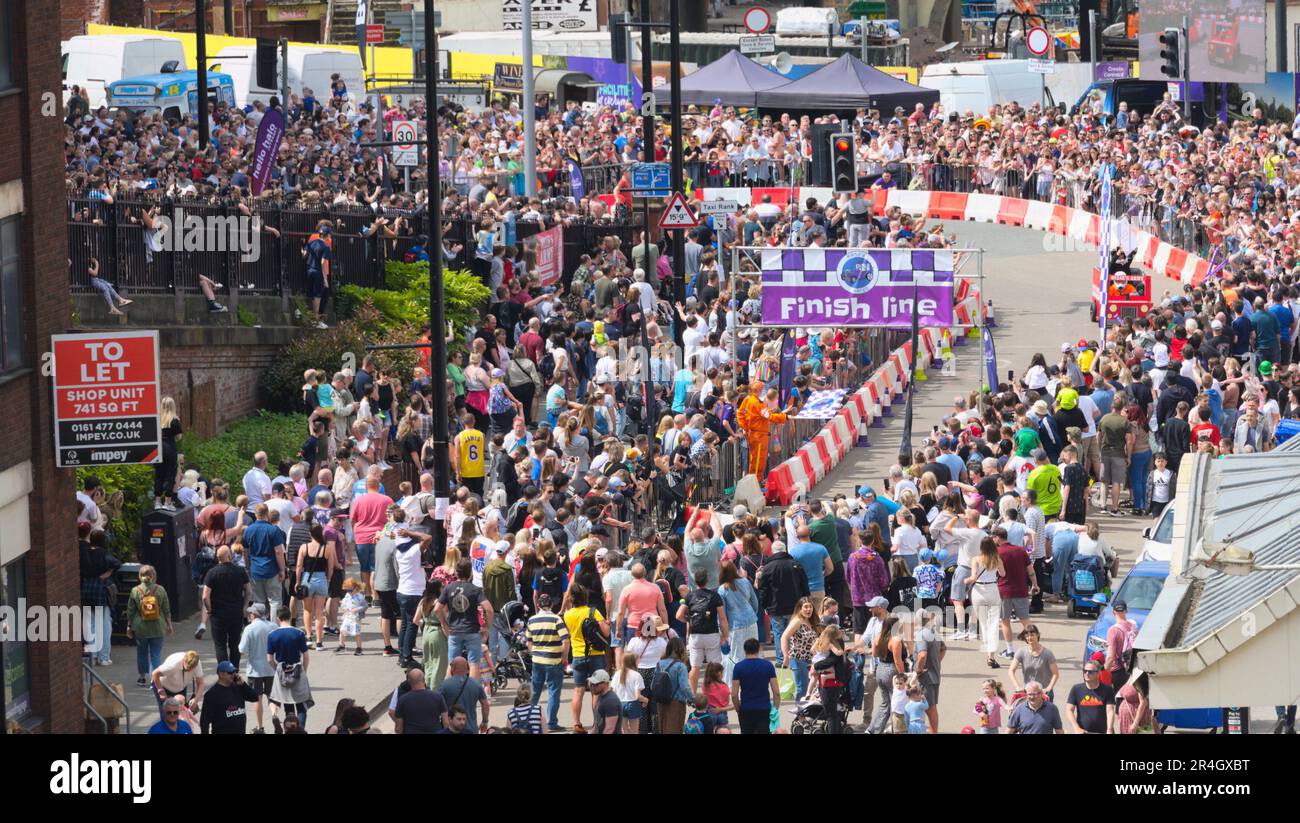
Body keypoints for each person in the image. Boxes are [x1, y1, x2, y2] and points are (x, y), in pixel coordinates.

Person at [435, 558, 493, 683]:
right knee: (473, 664)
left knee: (452, 664)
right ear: (470, 573)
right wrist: (487, 627)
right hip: (471, 630)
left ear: (456, 572)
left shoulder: (448, 588)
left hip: (454, 630)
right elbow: (489, 609)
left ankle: (447, 692)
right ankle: (472, 692)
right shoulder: (475, 589)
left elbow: (437, 608)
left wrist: (444, 623)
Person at [526, 592, 570, 732]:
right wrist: (564, 658)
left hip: (537, 661)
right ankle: (551, 723)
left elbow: (529, 642)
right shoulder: (556, 619)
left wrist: (535, 652)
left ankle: (529, 721)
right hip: (554, 660)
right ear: (551, 604)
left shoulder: (532, 620)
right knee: (553, 692)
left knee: (535, 691)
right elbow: (566, 641)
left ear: (538, 605)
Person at [126, 564, 173, 688]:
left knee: (141, 653)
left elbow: (130, 611)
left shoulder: (135, 590)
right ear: (153, 576)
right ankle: (154, 679)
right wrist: (169, 625)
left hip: (141, 628)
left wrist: (129, 627)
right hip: (158, 627)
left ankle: (142, 678)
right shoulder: (160, 589)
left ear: (140, 576)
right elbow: (166, 609)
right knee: (155, 654)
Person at [267, 605, 313, 728]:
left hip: (282, 671)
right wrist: (304, 670)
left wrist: (277, 669)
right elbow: (306, 656)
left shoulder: (272, 635)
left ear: (278, 618)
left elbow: (269, 659)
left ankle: (289, 729)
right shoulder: (299, 633)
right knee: (301, 706)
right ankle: (301, 729)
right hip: (297, 669)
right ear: (289, 616)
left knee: (288, 704)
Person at [965, 537, 1005, 668]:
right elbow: (1003, 574)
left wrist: (965, 581)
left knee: (983, 623)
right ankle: (991, 655)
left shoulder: (976, 559)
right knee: (993, 623)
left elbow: (973, 577)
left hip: (979, 591)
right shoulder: (997, 559)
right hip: (992, 589)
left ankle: (987, 647)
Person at [238, 603, 276, 733]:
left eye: (250, 613)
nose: (249, 615)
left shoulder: (249, 628)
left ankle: (261, 727)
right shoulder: (273, 626)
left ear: (254, 614)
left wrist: (250, 653)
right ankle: (274, 715)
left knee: (257, 698)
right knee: (271, 696)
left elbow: (241, 649)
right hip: (271, 668)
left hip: (255, 669)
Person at [731, 637, 779, 734]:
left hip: (746, 708)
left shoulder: (739, 667)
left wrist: (738, 708)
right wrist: (775, 708)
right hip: (764, 708)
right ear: (758, 649)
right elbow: (776, 692)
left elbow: (734, 694)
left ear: (745, 650)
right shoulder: (768, 665)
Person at [199, 661, 260, 734]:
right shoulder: (211, 694)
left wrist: (243, 684)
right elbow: (204, 721)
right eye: (230, 673)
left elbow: (255, 697)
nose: (233, 675)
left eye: (234, 672)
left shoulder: (238, 687)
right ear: (221, 674)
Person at [811, 625, 850, 735]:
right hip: (830, 681)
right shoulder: (832, 641)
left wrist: (816, 665)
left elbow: (834, 658)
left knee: (831, 714)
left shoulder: (834, 642)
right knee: (832, 713)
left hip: (831, 683)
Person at [437, 657, 491, 734]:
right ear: (467, 669)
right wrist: (485, 722)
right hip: (471, 728)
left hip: (452, 729)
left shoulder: (445, 685)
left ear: (453, 668)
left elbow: (436, 704)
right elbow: (485, 704)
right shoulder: (476, 685)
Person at [150, 649, 205, 721]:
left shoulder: (197, 664)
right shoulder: (173, 665)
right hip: (163, 686)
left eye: (192, 668)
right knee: (167, 715)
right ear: (184, 661)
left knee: (182, 714)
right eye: (188, 668)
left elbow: (200, 683)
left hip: (180, 687)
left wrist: (196, 699)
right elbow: (154, 674)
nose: (190, 670)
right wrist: (160, 690)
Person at [1009, 624, 1060, 701]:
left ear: (1037, 635)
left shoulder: (1047, 653)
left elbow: (1055, 674)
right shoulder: (1021, 652)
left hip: (1044, 692)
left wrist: (1049, 688)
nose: (1029, 638)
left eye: (1032, 635)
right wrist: (1017, 686)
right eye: (1027, 636)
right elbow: (1011, 670)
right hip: (1029, 692)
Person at [653, 637, 692, 734]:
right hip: (676, 703)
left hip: (661, 702)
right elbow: (685, 687)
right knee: (675, 729)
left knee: (663, 729)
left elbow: (652, 685)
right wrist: (693, 699)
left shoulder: (659, 664)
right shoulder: (681, 666)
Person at [1066, 661, 1116, 734]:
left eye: (1090, 672)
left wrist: (1109, 730)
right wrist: (1076, 728)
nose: (1087, 674)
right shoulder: (1076, 689)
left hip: (1103, 732)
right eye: (1085, 671)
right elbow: (1069, 710)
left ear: (1098, 673)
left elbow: (1110, 711)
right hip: (1083, 732)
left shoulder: (1107, 690)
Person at [394, 668, 448, 734]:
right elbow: (446, 722)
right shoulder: (437, 697)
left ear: (409, 681)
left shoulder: (402, 700)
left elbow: (399, 728)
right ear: (424, 679)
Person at [613, 651, 648, 734]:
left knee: (624, 730)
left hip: (620, 703)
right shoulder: (636, 675)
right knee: (634, 731)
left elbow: (613, 692)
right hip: (633, 704)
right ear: (633, 662)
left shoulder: (617, 674)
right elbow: (637, 696)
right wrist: (646, 700)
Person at [588, 669, 623, 734]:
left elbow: (609, 729)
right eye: (591, 683)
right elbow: (597, 724)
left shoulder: (610, 701)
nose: (592, 687)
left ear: (606, 683)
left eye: (596, 684)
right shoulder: (601, 695)